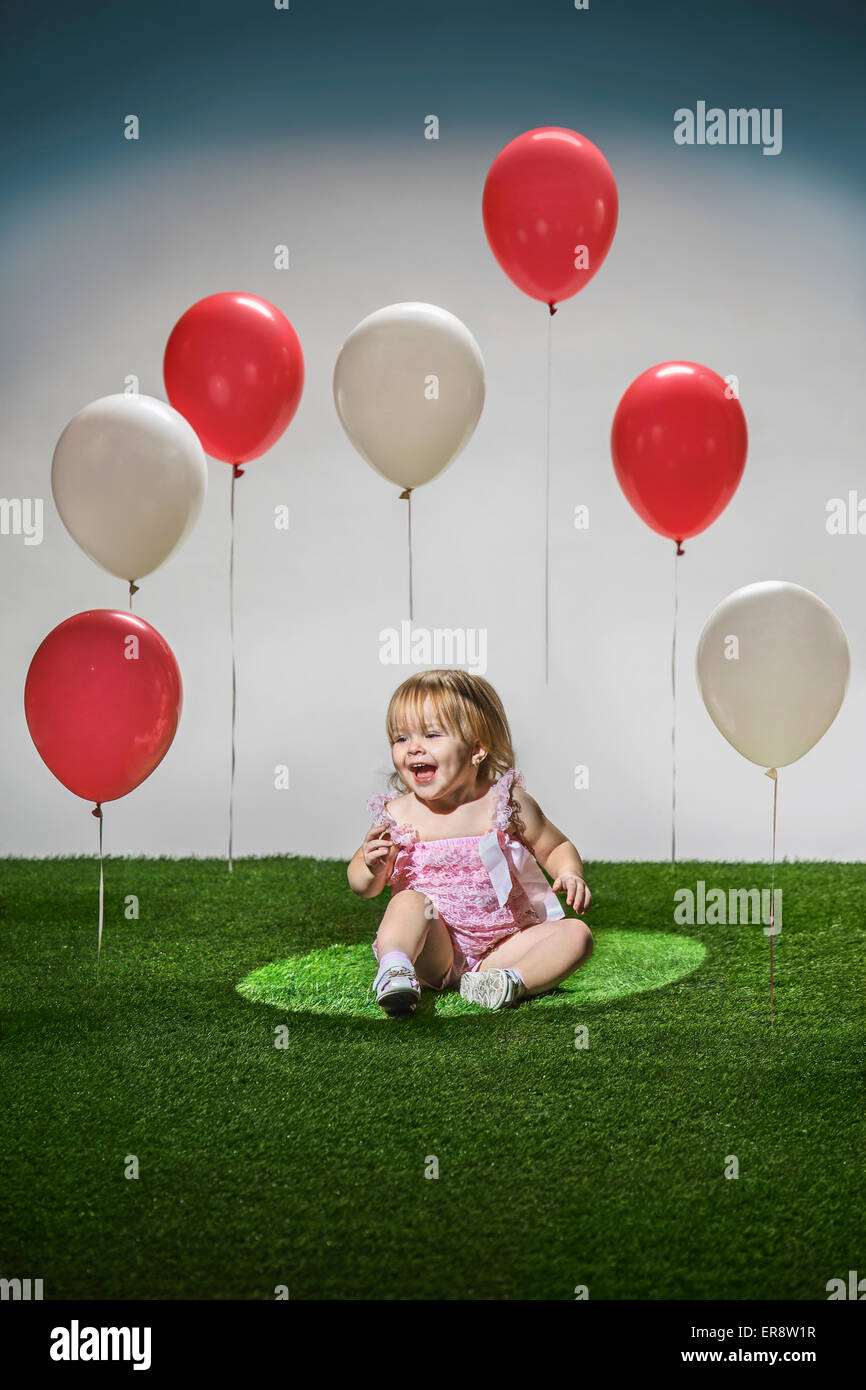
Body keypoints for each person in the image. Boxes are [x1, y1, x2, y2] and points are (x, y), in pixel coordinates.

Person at [347, 669, 593, 1016]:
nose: (413, 747)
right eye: (400, 739)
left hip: (502, 946)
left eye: (431, 735)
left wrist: (569, 873)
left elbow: (553, 847)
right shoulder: (399, 815)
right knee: (409, 902)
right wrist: (372, 866)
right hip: (433, 949)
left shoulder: (506, 803)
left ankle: (507, 982)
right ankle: (396, 967)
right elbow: (362, 886)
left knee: (576, 935)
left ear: (477, 748)